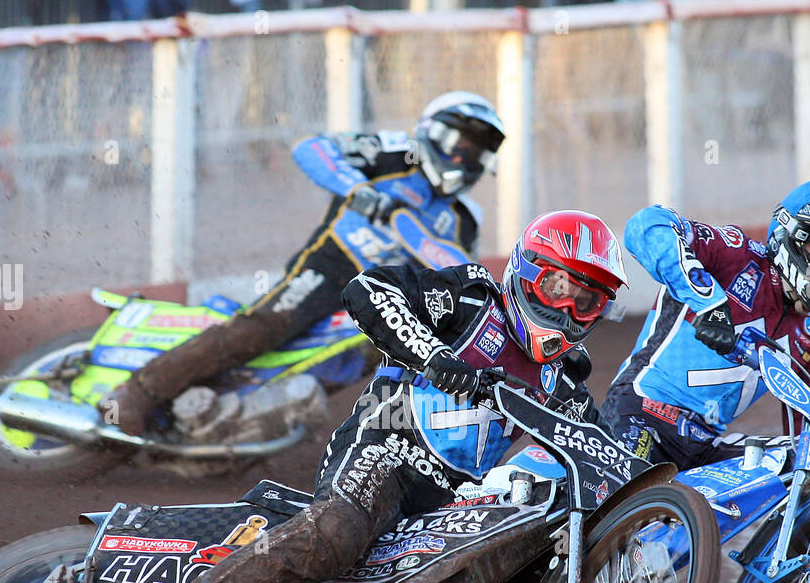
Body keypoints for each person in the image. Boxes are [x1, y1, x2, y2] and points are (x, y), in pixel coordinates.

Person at [133, 209, 629, 583]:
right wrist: (437, 358)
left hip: (449, 500)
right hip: (384, 451)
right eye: (558, 285)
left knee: (545, 557)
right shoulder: (469, 297)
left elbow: (592, 448)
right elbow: (368, 288)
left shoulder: (567, 379)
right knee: (340, 529)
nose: (566, 307)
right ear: (527, 270)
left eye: (586, 300)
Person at [100, 91, 506, 436]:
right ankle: (136, 392)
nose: (463, 159)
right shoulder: (393, 151)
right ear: (432, 133)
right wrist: (357, 190)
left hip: (383, 301)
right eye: (459, 145)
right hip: (333, 265)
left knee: (366, 365)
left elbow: (454, 276)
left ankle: (249, 419)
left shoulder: (464, 218)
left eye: (475, 154)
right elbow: (312, 147)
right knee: (262, 329)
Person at [602, 180, 810, 471]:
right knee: (628, 491)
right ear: (790, 233)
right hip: (641, 411)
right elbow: (645, 225)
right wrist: (708, 304)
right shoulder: (737, 255)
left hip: (703, 445)